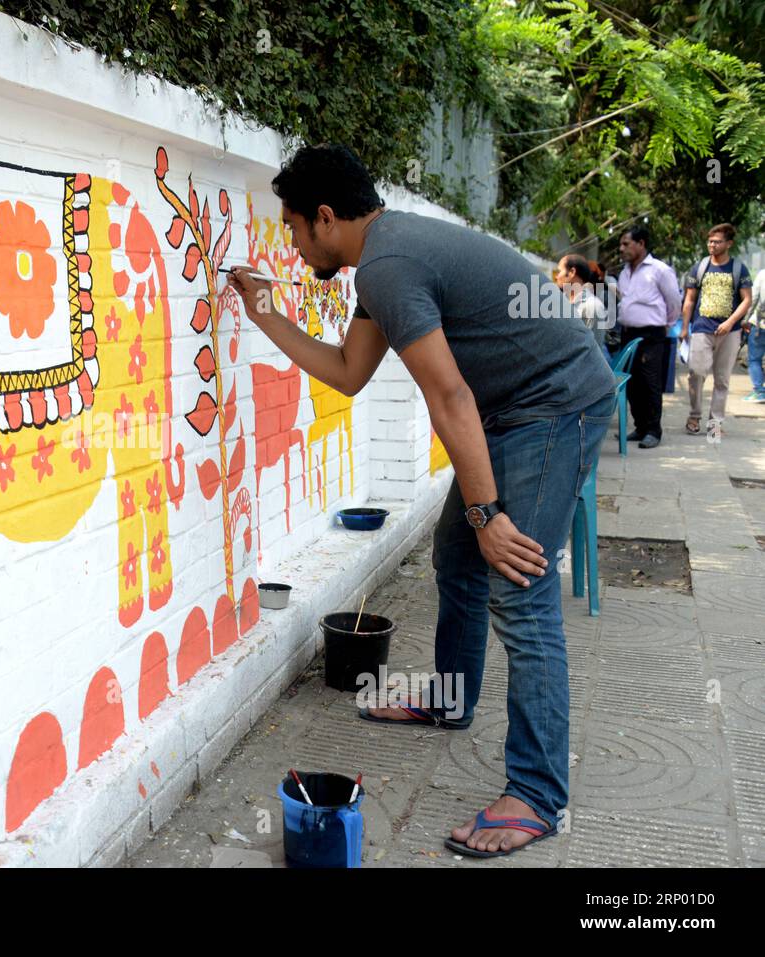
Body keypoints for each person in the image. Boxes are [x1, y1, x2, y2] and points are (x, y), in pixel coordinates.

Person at [226, 144, 616, 859]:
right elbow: (348, 373)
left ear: (323, 217)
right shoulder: (381, 263)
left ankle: (536, 794)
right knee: (456, 558)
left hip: (555, 406)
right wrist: (265, 315)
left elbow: (449, 394)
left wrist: (488, 513)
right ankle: (450, 698)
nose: (288, 241)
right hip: (516, 409)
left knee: (519, 587)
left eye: (290, 227)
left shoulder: (387, 266)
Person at [679, 224, 754, 438]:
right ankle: (694, 415)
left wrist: (730, 322)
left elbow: (746, 300)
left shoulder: (739, 269)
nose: (712, 245)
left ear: (729, 244)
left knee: (722, 379)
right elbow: (690, 299)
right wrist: (684, 327)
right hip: (702, 327)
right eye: (710, 241)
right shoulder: (699, 267)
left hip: (730, 332)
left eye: (717, 241)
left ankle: (715, 423)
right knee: (696, 373)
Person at [615, 225, 683, 448]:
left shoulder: (659, 270)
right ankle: (641, 426)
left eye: (626, 243)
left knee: (649, 382)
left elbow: (674, 302)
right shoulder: (624, 272)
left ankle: (653, 430)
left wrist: (666, 325)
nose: (621, 248)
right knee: (631, 383)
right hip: (627, 332)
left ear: (641, 244)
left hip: (651, 334)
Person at [555, 253, 610, 357]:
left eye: (559, 271)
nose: (556, 276)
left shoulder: (593, 306)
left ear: (571, 272)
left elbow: (592, 352)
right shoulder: (561, 301)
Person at [746, 294, 765, 404]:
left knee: (754, 360)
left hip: (760, 325)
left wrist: (745, 319)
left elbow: (752, 298)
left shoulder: (762, 276)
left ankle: (759, 391)